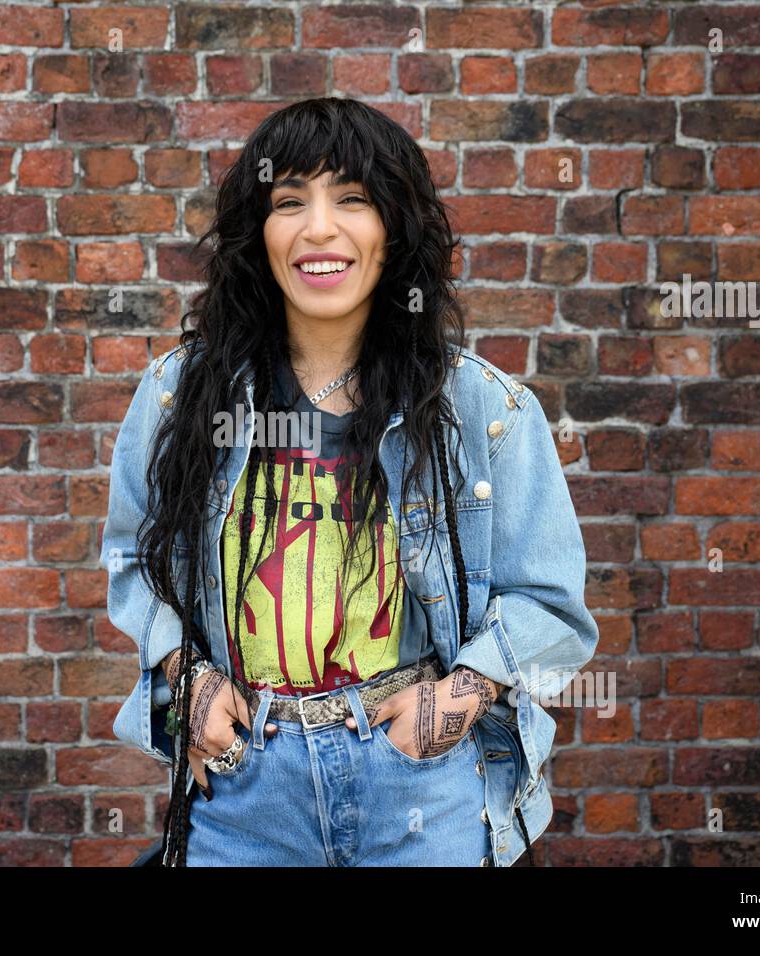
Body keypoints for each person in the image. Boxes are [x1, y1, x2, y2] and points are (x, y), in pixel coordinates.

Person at [101, 97, 598, 867]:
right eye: (289, 201)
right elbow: (134, 561)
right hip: (246, 793)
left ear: (394, 230)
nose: (320, 228)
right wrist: (185, 673)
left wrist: (454, 701)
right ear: (257, 234)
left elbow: (554, 607)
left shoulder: (481, 409)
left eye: (353, 199)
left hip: (421, 791)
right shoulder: (181, 395)